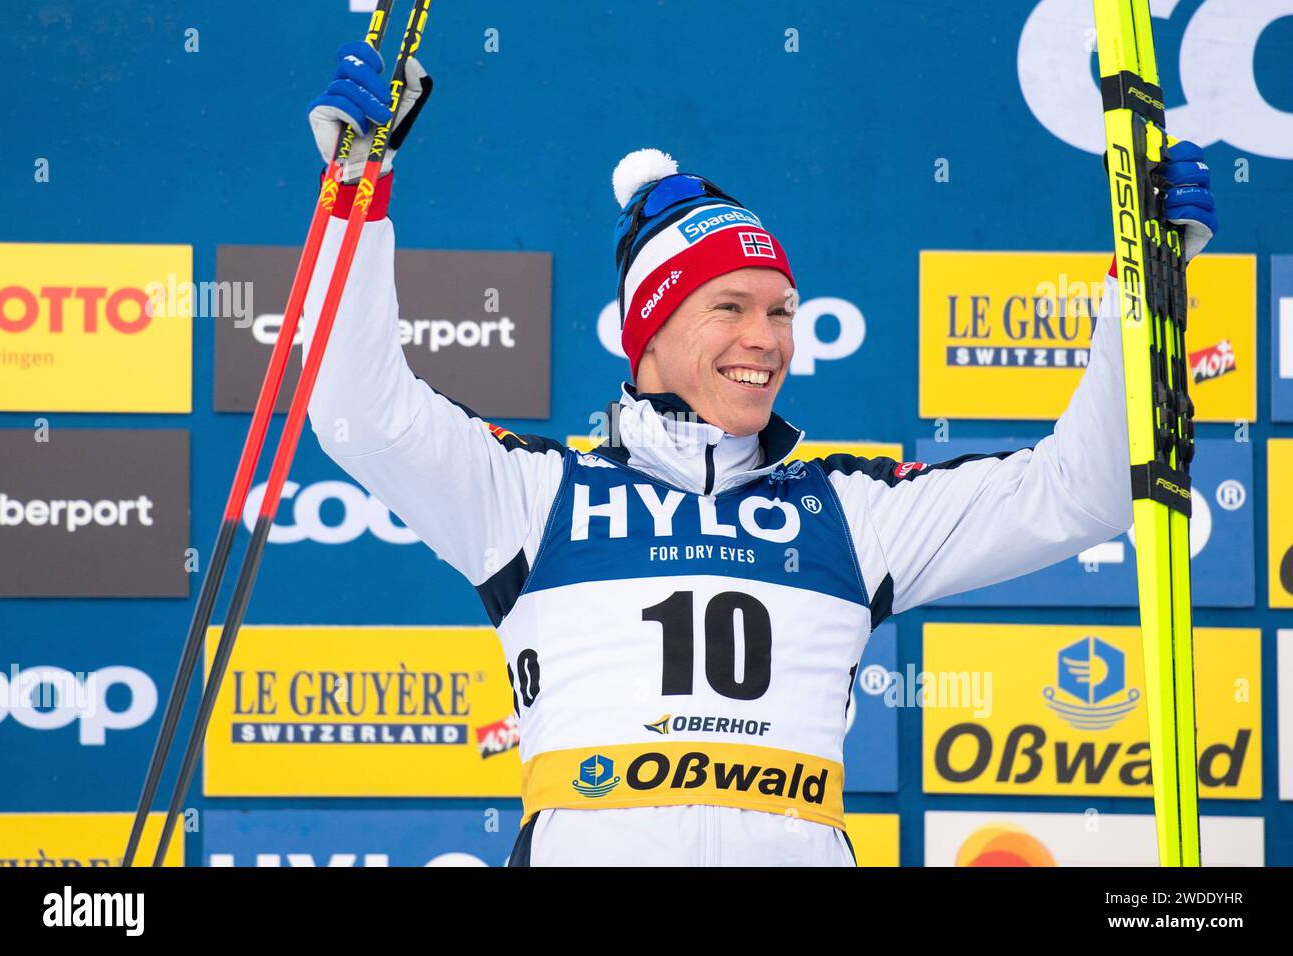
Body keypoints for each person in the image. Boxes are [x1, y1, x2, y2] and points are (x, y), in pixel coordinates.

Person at [302, 42, 1218, 866]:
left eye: (780, 310)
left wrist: (1145, 282)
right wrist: (355, 197)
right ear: (649, 334)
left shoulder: (851, 511)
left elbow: (1086, 491)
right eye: (729, 307)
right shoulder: (532, 496)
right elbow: (358, 416)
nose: (766, 338)